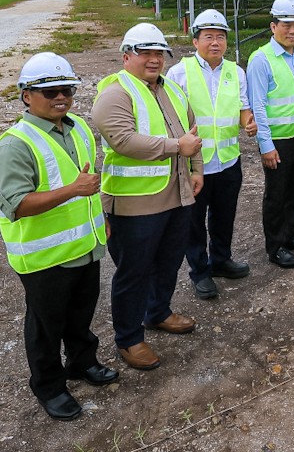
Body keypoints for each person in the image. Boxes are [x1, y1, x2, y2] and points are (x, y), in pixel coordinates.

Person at [0, 52, 116, 421]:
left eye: (67, 90)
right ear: (26, 95)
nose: (61, 97)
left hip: (85, 249)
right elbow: (17, 204)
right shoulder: (15, 146)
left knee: (80, 317)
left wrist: (100, 218)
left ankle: (82, 363)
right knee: (46, 327)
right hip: (45, 259)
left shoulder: (75, 128)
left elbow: (88, 185)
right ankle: (49, 386)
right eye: (50, 91)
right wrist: (73, 191)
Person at [92, 23, 203, 372]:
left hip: (177, 196)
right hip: (135, 203)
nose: (154, 60)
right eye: (146, 53)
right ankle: (128, 338)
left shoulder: (171, 90)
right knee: (133, 271)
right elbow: (122, 140)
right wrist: (176, 148)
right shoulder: (115, 94)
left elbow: (192, 132)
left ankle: (158, 312)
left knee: (168, 261)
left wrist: (196, 168)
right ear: (127, 56)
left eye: (160, 53)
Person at [166, 9, 257, 300]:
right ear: (195, 41)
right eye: (208, 37)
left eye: (220, 37)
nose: (215, 43)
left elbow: (243, 107)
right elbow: (170, 117)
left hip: (229, 159)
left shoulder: (235, 71)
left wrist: (248, 123)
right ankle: (200, 272)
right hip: (196, 165)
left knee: (224, 216)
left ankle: (221, 260)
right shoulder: (179, 72)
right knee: (194, 221)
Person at [248, 0, 294, 269]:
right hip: (277, 139)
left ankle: (291, 235)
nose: (293, 30)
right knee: (276, 194)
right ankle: (275, 246)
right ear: (273, 26)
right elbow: (259, 106)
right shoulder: (261, 59)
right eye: (286, 24)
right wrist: (266, 145)